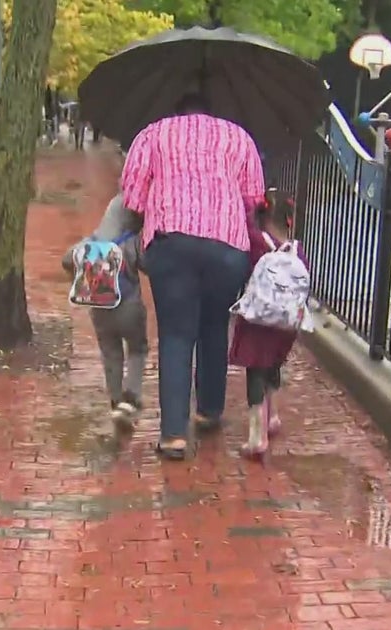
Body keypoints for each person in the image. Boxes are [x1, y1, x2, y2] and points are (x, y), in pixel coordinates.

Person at [121, 92, 265, 460]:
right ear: (210, 112)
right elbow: (254, 198)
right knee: (215, 325)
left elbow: (133, 198)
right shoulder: (238, 136)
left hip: (172, 243)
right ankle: (209, 411)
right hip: (228, 246)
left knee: (176, 333)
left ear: (178, 111)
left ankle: (173, 436)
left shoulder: (154, 134)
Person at [61, 193, 147, 431]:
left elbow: (67, 259)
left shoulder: (92, 243)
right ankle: (131, 396)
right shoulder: (132, 242)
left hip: (99, 308)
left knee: (111, 352)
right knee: (138, 348)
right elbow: (148, 264)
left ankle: (115, 400)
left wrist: (78, 275)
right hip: (129, 305)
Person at [228, 191, 304, 457]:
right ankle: (274, 416)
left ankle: (256, 437)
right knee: (273, 365)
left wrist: (246, 202)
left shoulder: (257, 241)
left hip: (259, 321)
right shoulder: (296, 249)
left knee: (255, 372)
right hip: (285, 324)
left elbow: (244, 230)